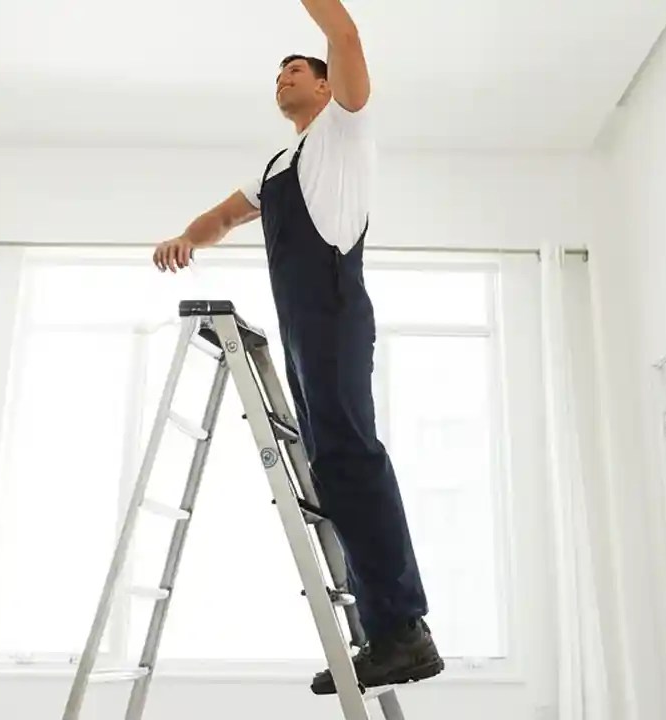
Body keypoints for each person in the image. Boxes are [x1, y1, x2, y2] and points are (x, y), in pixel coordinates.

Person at [151, 0, 443, 696]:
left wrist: (321, 24)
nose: (282, 78)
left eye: (295, 70)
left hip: (335, 309)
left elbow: (343, 33)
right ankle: (383, 630)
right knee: (330, 466)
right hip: (301, 322)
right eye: (277, 73)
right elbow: (224, 215)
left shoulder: (345, 127)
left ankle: (405, 631)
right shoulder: (279, 161)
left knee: (352, 456)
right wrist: (189, 236)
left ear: (322, 85)